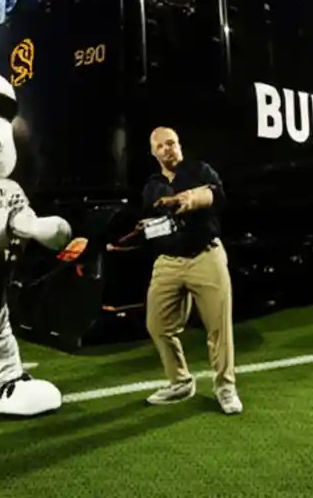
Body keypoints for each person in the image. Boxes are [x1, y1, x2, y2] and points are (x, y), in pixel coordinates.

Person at [137, 126, 241, 415]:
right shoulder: (152, 185)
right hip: (168, 262)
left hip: (205, 256)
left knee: (219, 327)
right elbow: (149, 222)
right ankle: (180, 381)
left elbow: (216, 196)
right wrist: (145, 230)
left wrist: (185, 200)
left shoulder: (199, 170)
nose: (168, 149)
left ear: (179, 145)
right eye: (161, 146)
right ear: (153, 153)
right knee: (157, 325)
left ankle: (225, 386)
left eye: (172, 143)